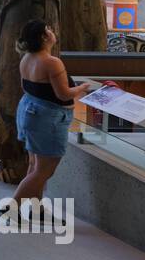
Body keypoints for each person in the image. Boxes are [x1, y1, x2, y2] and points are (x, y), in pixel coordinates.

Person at [10, 20, 91, 212]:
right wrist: (82, 88)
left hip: (30, 111)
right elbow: (63, 94)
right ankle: (12, 208)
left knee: (35, 165)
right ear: (44, 37)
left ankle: (36, 210)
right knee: (44, 170)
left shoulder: (26, 58)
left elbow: (26, 87)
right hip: (48, 118)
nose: (52, 32)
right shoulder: (52, 62)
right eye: (48, 30)